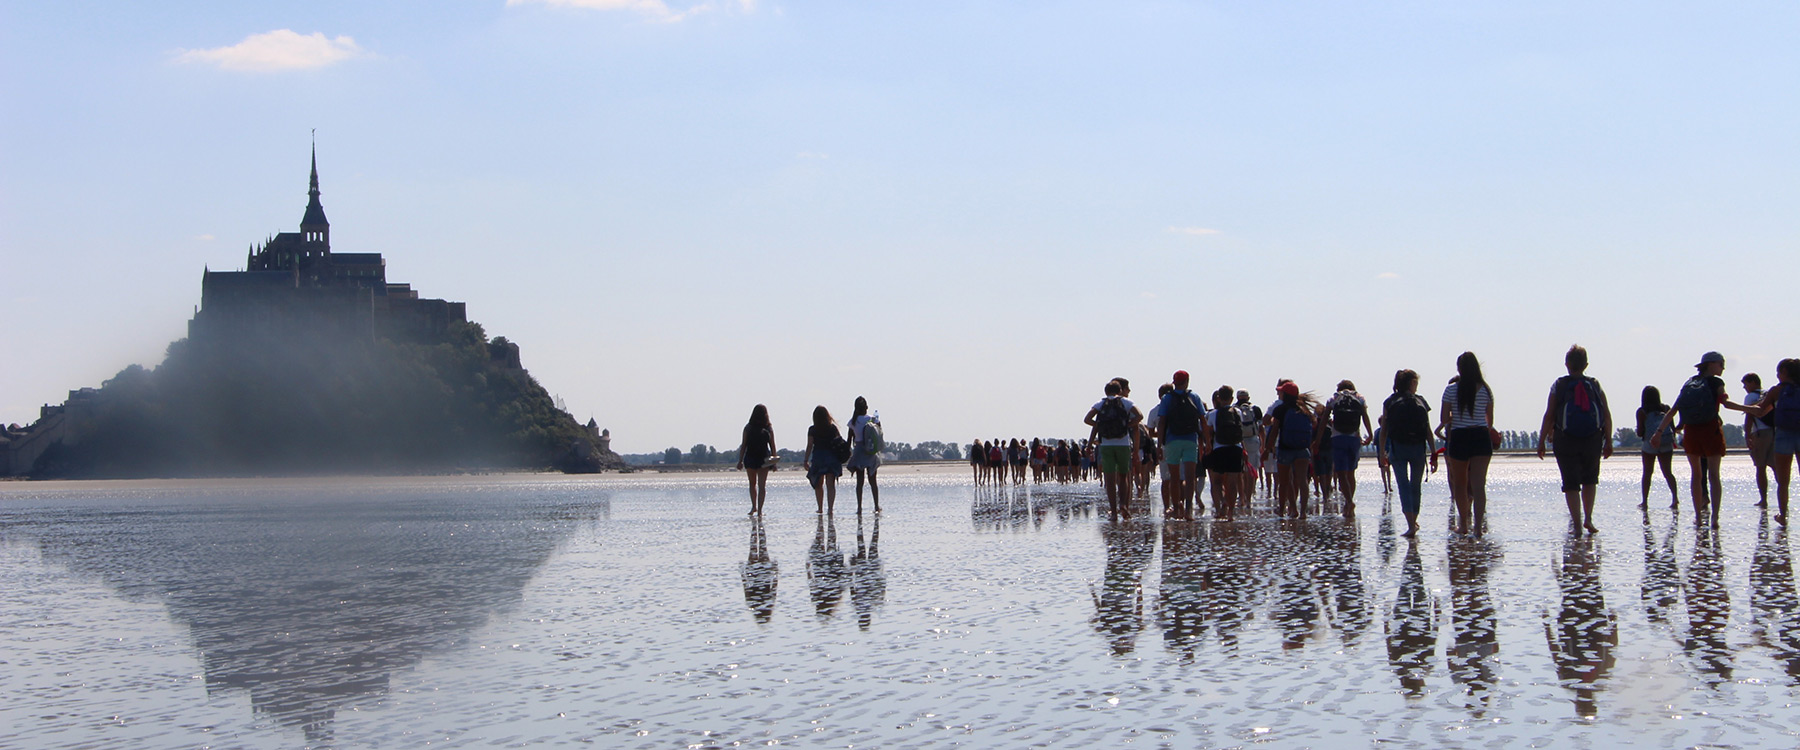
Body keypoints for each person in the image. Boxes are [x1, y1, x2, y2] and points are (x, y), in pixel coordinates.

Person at [1651, 352, 1749, 526]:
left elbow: (1673, 410)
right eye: (1721, 363)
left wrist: (1658, 432)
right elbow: (1726, 402)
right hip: (1710, 430)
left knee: (1696, 475)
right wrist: (1751, 409)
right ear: (1711, 364)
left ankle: (1698, 516)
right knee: (1714, 475)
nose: (1723, 367)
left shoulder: (1690, 383)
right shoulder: (1716, 382)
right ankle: (1715, 518)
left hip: (1691, 432)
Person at [1536, 345, 1613, 535]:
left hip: (1565, 439)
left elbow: (1549, 415)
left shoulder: (1559, 385)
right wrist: (1609, 441)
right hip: (1592, 438)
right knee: (1590, 479)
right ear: (1586, 365)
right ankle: (1588, 518)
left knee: (1570, 483)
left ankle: (1577, 524)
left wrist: (1542, 440)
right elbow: (1606, 414)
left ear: (1566, 364)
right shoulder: (1594, 384)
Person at [1738, 358, 1800, 525]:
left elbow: (1760, 411)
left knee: (1783, 480)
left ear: (1784, 372)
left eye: (1778, 372)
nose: (1777, 375)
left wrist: (1736, 407)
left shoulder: (1777, 390)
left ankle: (1783, 516)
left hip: (1783, 434)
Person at [1438, 352, 1495, 536]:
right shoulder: (1485, 389)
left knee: (1460, 484)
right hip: (1481, 436)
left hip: (1459, 436)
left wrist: (1456, 415)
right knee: (1479, 485)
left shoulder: (1451, 390)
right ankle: (1478, 527)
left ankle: (1463, 524)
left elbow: (1444, 419)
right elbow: (1490, 421)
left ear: (1459, 368)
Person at [1382, 369, 1436, 537]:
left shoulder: (1390, 402)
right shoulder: (1421, 401)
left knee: (1403, 485)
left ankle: (1411, 524)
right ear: (1412, 383)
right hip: (1418, 448)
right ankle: (1413, 521)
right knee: (1415, 486)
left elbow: (1384, 430)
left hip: (1398, 448)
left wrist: (1382, 452)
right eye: (1416, 383)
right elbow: (1428, 430)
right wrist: (1434, 452)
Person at [1085, 380, 1141, 519]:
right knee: (1123, 476)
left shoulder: (1100, 404)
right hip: (1123, 444)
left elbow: (1087, 419)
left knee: (1109, 478)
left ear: (1106, 392)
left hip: (1106, 444)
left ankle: (1113, 512)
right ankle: (1123, 504)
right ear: (1120, 391)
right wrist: (1127, 424)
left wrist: (1099, 425)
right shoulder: (1126, 402)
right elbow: (1139, 416)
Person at [1262, 381, 1317, 519]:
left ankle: (1288, 509)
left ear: (1285, 394)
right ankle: (1303, 512)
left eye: (1281, 391)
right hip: (1302, 449)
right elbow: (1313, 425)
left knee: (1285, 481)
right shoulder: (1304, 409)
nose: (1279, 393)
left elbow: (1274, 431)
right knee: (1303, 480)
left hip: (1285, 449)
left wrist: (1267, 449)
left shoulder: (1280, 409)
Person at [1157, 371, 1205, 520]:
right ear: (1187, 381)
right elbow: (1203, 420)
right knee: (1190, 477)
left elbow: (1162, 422)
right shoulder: (1194, 397)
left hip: (1172, 441)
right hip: (1190, 440)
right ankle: (1189, 509)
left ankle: (1177, 508)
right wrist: (1206, 442)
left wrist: (1159, 445)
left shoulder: (1167, 398)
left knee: (1174, 477)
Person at [1323, 380, 1374, 516]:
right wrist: (1370, 434)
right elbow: (1365, 416)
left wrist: (1318, 439)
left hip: (1338, 438)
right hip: (1354, 438)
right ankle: (1348, 503)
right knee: (1351, 473)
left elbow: (1324, 419)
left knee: (1341, 473)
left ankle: (1349, 501)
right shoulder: (1359, 398)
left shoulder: (1334, 398)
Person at [1204, 385, 1247, 521]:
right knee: (1232, 482)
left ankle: (1219, 509)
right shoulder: (1237, 412)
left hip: (1219, 449)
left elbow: (1209, 433)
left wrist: (1208, 446)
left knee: (1216, 481)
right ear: (1232, 398)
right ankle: (1231, 513)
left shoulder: (1212, 414)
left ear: (1218, 398)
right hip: (1236, 448)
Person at [1636, 386, 1680, 510]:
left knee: (1647, 473)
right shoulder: (1666, 409)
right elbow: (1672, 427)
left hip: (1649, 444)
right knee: (1668, 472)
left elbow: (1640, 432)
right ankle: (1675, 498)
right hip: (1666, 443)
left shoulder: (1642, 412)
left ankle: (1645, 501)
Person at [735, 404, 777, 516]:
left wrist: (740, 461)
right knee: (762, 486)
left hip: (750, 458)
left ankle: (754, 506)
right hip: (764, 459)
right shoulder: (768, 428)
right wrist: (774, 462)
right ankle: (760, 510)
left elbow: (744, 445)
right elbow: (772, 446)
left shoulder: (748, 428)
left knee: (752, 483)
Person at [804, 405, 846, 515]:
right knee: (830, 484)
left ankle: (820, 508)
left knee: (818, 484)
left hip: (818, 457)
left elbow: (809, 445)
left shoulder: (812, 429)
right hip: (832, 457)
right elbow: (839, 441)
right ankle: (830, 509)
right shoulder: (832, 428)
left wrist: (805, 459)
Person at [846, 397, 883, 514]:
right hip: (871, 451)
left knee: (860, 482)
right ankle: (876, 506)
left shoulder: (853, 422)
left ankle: (859, 507)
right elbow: (880, 433)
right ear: (866, 407)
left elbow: (849, 440)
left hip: (859, 452)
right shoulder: (873, 419)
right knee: (873, 481)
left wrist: (847, 454)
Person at [1745, 373, 1776, 508]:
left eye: (1745, 384)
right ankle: (1783, 497)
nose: (1745, 387)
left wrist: (1747, 435)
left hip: (1760, 433)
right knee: (1776, 467)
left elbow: (1749, 416)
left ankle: (1763, 499)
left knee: (1760, 467)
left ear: (1753, 382)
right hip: (1774, 432)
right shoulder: (1767, 394)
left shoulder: (1751, 397)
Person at [1236, 390, 1264, 502]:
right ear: (1248, 398)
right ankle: (1249, 497)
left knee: (1240, 470)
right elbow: (1261, 428)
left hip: (1239, 441)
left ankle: (1241, 496)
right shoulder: (1255, 409)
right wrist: (1263, 445)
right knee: (1252, 470)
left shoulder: (1234, 409)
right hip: (1253, 441)